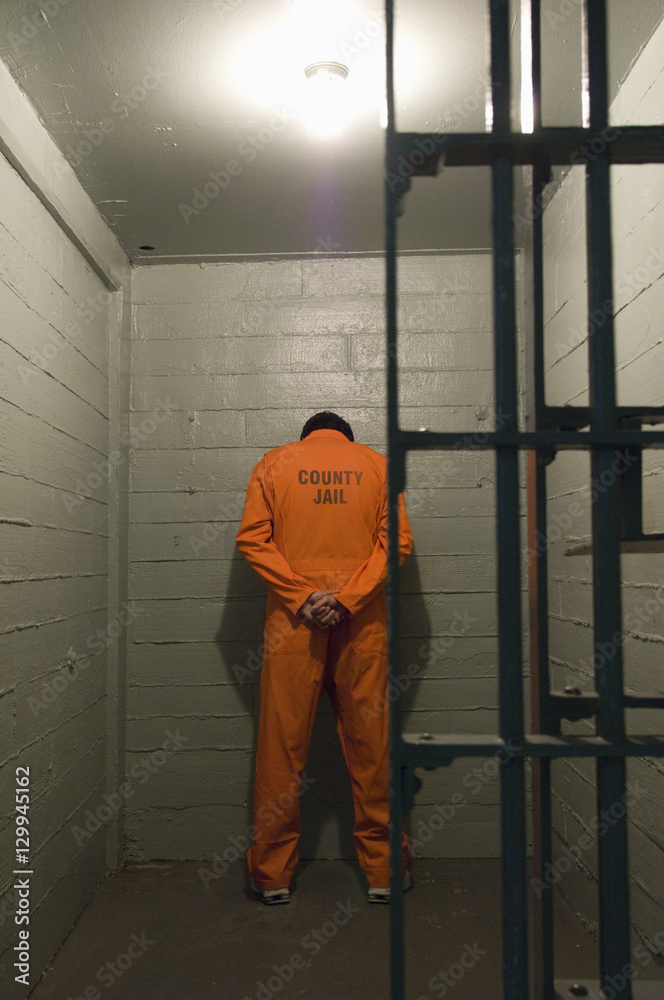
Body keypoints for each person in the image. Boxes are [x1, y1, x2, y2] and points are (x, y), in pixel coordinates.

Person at [236, 411, 413, 904]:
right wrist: (347, 598)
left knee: (281, 747)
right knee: (372, 746)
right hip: (362, 623)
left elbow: (252, 539)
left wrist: (303, 596)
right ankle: (385, 873)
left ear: (306, 436)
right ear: (346, 437)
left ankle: (272, 877)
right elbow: (396, 543)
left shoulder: (273, 464)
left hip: (293, 624)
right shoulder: (378, 466)